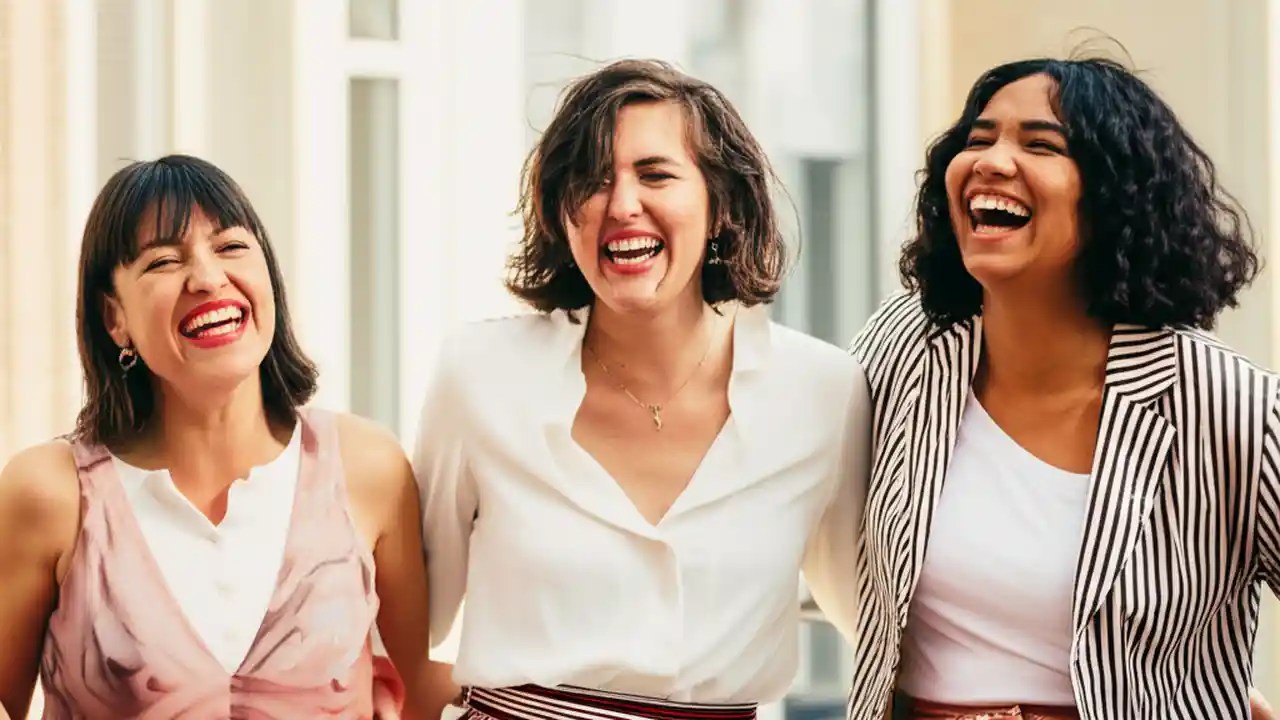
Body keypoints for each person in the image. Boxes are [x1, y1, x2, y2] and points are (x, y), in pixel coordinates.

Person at [413, 59, 868, 719]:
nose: (621, 203)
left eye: (655, 174)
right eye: (592, 180)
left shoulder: (822, 392)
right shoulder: (478, 373)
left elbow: (877, 621)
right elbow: (407, 618)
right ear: (561, 216)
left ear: (721, 207)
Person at [848, 56, 1280, 719]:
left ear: (1117, 193)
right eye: (978, 138)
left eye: (1041, 144)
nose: (991, 160)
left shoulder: (1229, 404)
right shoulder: (905, 345)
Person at [0, 155, 440, 719]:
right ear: (115, 319)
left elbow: (418, 691)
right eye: (163, 261)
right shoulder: (51, 494)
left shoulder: (367, 467)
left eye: (231, 247)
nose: (208, 278)